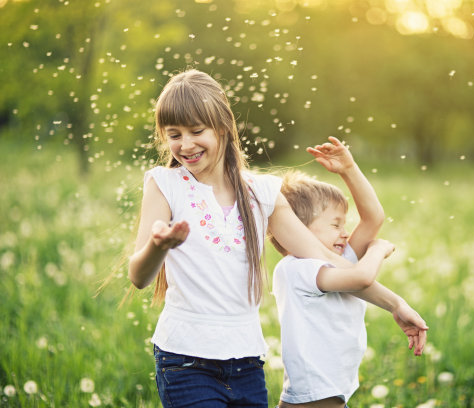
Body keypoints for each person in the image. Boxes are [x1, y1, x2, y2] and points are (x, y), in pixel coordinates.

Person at [128, 69, 355, 408]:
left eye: (196, 131)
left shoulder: (260, 192)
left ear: (222, 126)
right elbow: (139, 277)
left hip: (247, 363)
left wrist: (397, 305)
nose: (185, 145)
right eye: (174, 134)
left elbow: (328, 260)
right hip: (185, 362)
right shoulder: (165, 184)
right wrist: (157, 247)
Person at [271, 137, 428, 407]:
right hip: (314, 396)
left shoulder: (336, 259)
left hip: (332, 391)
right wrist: (377, 249)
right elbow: (361, 278)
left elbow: (373, 218)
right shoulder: (298, 269)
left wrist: (349, 169)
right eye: (335, 224)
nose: (345, 233)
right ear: (296, 228)